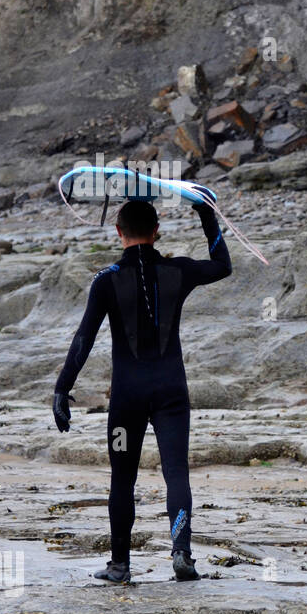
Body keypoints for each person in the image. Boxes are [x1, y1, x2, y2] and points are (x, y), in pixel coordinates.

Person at [53, 197, 232, 582]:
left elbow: (83, 338)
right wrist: (207, 216)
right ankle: (181, 554)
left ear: (118, 232)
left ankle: (120, 565)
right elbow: (222, 265)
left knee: (122, 477)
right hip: (171, 394)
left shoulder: (106, 280)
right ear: (156, 232)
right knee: (176, 471)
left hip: (126, 401)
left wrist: (61, 389)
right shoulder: (178, 271)